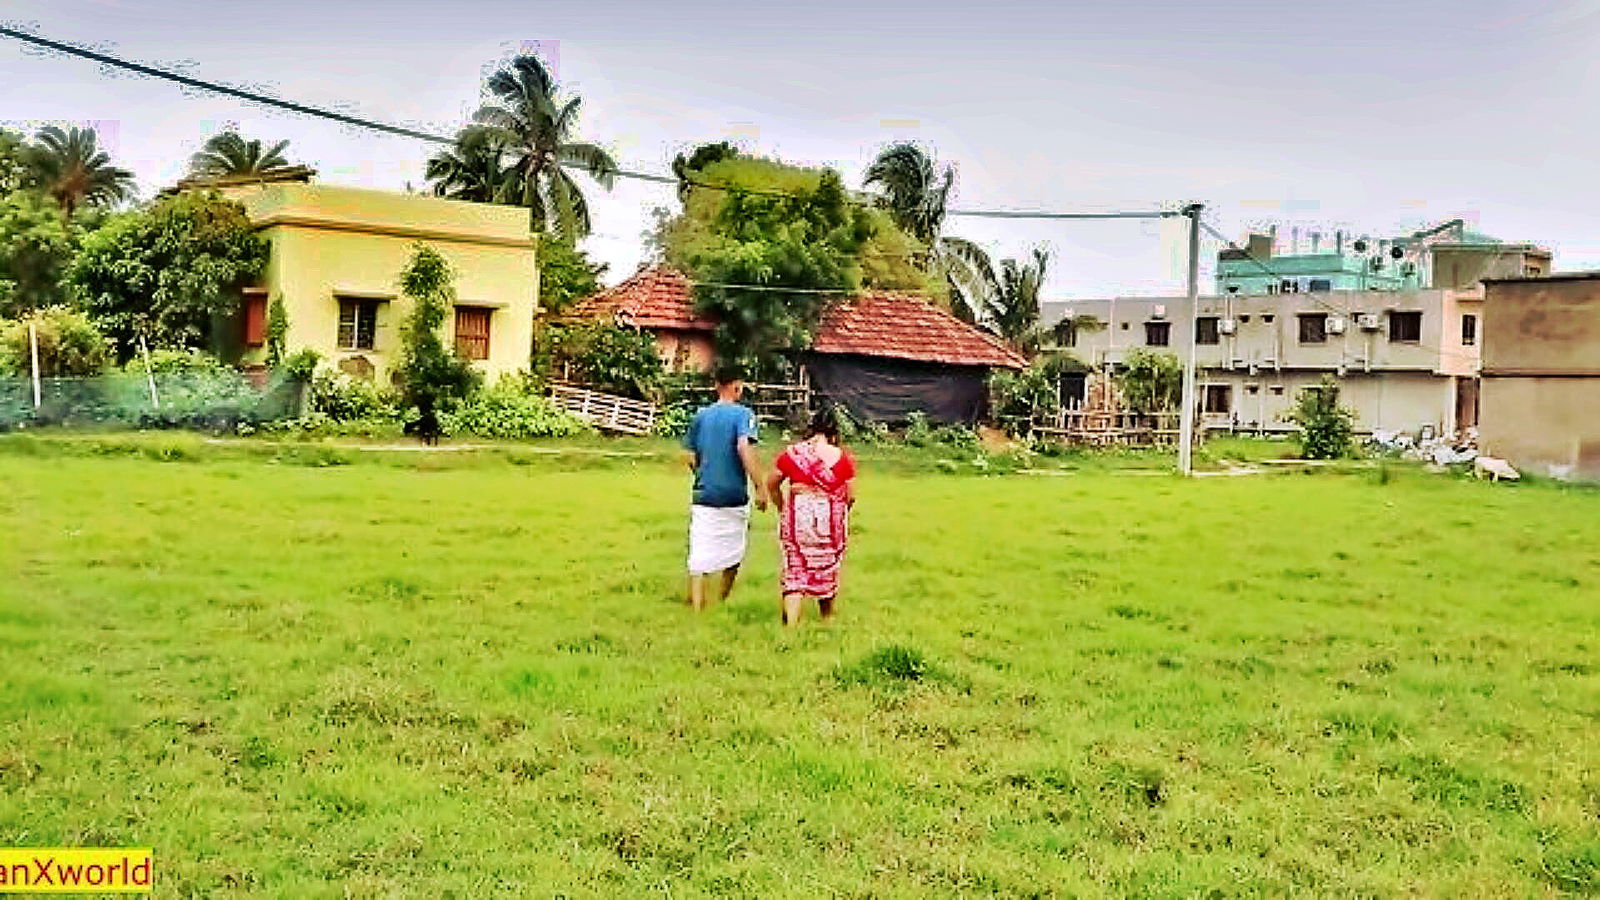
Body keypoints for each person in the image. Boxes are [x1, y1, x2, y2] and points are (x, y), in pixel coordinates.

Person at [683, 364, 767, 610]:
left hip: (704, 492)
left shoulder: (700, 416)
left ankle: (697, 607)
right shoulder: (743, 415)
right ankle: (722, 598)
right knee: (734, 548)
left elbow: (690, 457)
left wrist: (703, 473)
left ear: (716, 386)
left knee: (700, 551)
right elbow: (744, 447)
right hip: (733, 493)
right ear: (737, 386)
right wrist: (760, 487)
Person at [766, 408, 857, 626]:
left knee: (795, 568)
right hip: (828, 520)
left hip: (798, 517)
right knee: (827, 565)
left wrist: (782, 507)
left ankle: (790, 626)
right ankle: (827, 617)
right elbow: (851, 496)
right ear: (834, 431)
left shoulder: (793, 454)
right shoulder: (842, 458)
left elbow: (772, 483)